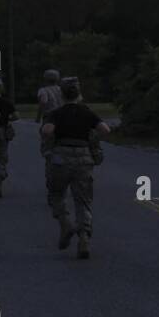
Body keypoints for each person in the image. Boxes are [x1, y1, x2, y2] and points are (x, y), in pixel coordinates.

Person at [40, 77, 110, 259]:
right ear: (79, 93)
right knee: (83, 199)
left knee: (56, 195)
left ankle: (65, 223)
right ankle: (84, 237)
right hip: (83, 157)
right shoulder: (87, 112)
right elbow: (105, 130)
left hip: (61, 157)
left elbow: (47, 131)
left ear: (62, 94)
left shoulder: (57, 113)